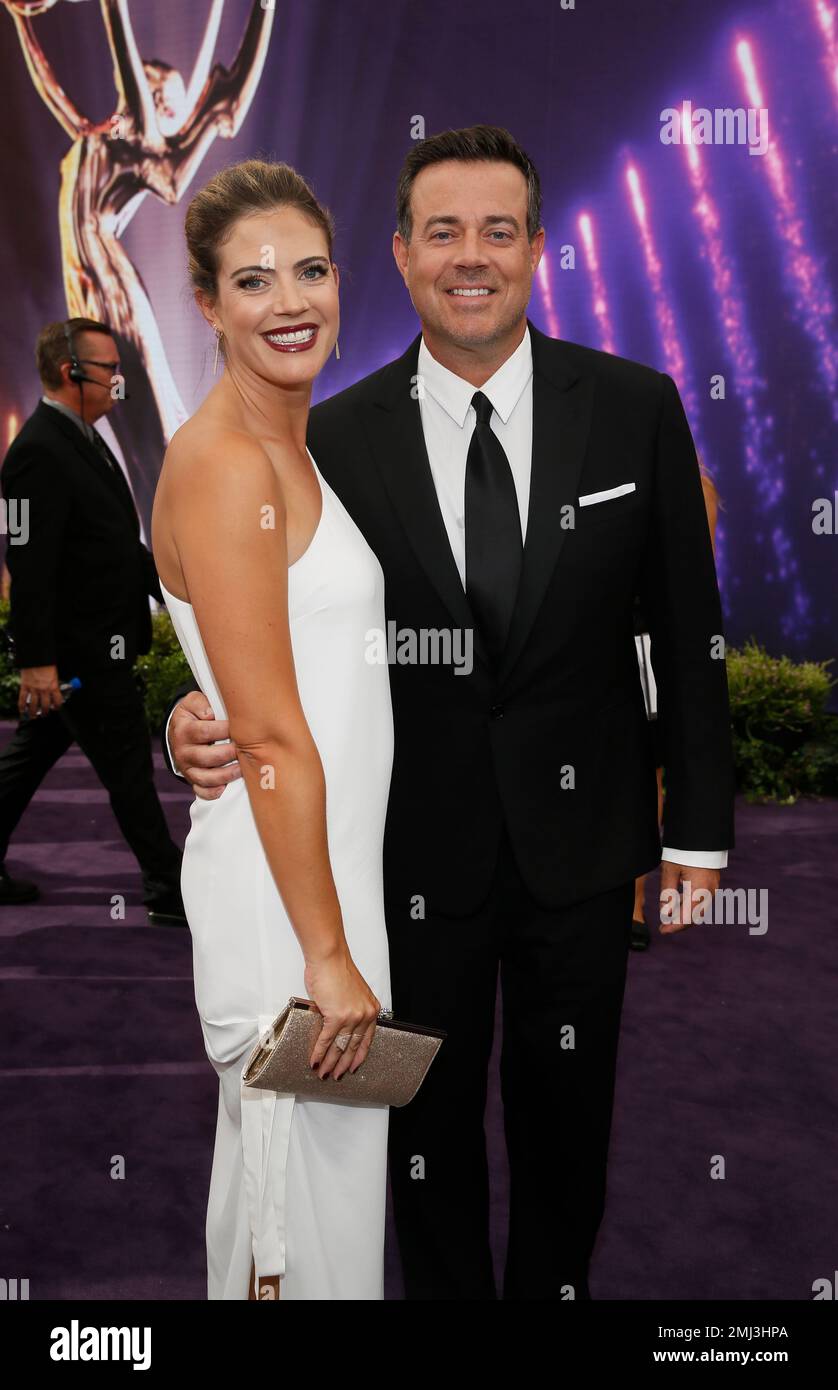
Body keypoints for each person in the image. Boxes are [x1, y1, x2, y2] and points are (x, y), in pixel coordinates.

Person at [162, 126, 736, 1300]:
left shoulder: (634, 407)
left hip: (584, 855)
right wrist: (184, 715)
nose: (469, 256)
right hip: (401, 865)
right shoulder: (324, 432)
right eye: (441, 231)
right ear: (402, 254)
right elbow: (243, 626)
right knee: (412, 1149)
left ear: (534, 248)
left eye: (495, 230)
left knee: (567, 1131)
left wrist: (699, 831)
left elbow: (688, 633)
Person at [150, 160, 393, 1301]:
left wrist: (187, 714)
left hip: (324, 878)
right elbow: (275, 737)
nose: (289, 300)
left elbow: (274, 676)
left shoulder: (291, 446)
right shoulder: (224, 460)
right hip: (286, 904)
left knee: (322, 1205)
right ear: (206, 304)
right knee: (287, 1228)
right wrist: (329, 955)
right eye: (252, 280)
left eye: (309, 269)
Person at [0, 318, 184, 925]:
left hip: (96, 645)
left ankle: (165, 883)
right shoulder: (37, 452)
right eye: (107, 368)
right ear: (68, 372)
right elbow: (27, 564)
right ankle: (167, 889)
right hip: (81, 654)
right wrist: (37, 661)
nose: (118, 380)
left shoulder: (82, 437)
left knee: (32, 756)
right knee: (129, 767)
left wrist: (175, 588)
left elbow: (110, 542)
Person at [630, 464, 722, 950]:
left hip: (646, 648)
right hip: (583, 652)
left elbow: (693, 579)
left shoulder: (696, 488)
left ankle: (634, 901)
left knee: (648, 772)